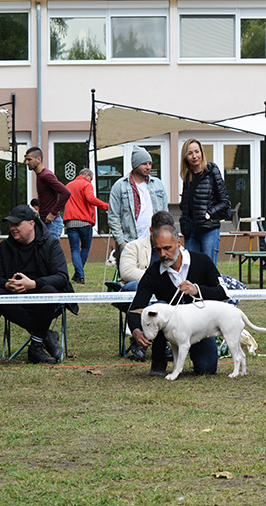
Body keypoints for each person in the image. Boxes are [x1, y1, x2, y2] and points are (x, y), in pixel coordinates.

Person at [128, 223, 228, 377]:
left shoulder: (202, 261)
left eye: (167, 248)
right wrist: (136, 332)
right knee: (159, 308)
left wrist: (197, 290)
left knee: (207, 368)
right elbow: (136, 308)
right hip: (168, 329)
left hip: (199, 328)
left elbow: (223, 292)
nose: (163, 254)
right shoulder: (153, 272)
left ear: (178, 243)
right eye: (158, 249)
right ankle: (159, 361)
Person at [0, 204, 76, 365]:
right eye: (10, 225)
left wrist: (33, 284)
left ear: (31, 224)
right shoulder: (6, 247)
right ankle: (45, 335)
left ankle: (36, 346)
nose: (13, 228)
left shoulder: (51, 244)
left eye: (17, 224)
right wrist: (8, 285)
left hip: (44, 299)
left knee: (49, 291)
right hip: (16, 298)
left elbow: (62, 277)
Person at [119, 210, 175, 362]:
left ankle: (149, 342)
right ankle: (144, 338)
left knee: (164, 303)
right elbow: (126, 272)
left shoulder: (175, 250)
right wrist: (153, 280)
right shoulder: (133, 247)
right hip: (136, 293)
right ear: (151, 230)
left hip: (162, 297)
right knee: (136, 286)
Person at [108, 146, 168, 258]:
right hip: (130, 242)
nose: (148, 167)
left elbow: (165, 213)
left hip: (154, 241)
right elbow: (113, 217)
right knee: (130, 275)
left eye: (150, 163)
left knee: (155, 274)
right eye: (144, 164)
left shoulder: (157, 184)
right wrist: (121, 242)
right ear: (135, 165)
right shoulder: (120, 186)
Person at [179, 139, 231, 265]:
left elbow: (225, 202)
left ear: (202, 152)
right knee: (193, 270)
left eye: (197, 151)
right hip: (190, 230)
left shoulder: (211, 170)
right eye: (190, 153)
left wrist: (208, 214)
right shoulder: (187, 176)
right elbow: (186, 203)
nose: (194, 156)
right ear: (185, 157)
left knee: (208, 268)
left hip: (209, 229)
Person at [62, 168, 107, 284]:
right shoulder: (86, 184)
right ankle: (80, 274)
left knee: (75, 249)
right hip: (85, 222)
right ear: (87, 175)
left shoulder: (68, 185)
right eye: (91, 179)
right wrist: (106, 206)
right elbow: (90, 199)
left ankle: (78, 275)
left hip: (71, 222)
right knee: (85, 248)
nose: (91, 181)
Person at [24, 147, 71, 240]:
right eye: (26, 159)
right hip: (46, 222)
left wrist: (53, 213)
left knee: (50, 253)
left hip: (52, 224)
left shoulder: (46, 176)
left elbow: (66, 192)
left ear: (38, 159)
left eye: (29, 159)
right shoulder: (40, 175)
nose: (26, 162)